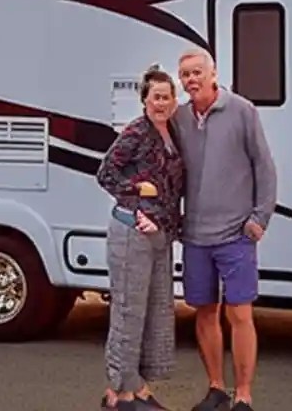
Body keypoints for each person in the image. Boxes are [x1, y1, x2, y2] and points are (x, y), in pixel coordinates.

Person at [173, 48, 277, 411]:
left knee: (240, 313)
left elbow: (264, 167)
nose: (191, 80)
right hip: (195, 235)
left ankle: (243, 394)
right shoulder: (179, 118)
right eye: (185, 74)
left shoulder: (242, 111)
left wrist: (260, 218)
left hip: (236, 234)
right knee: (204, 312)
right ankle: (216, 388)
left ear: (213, 73)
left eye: (197, 72)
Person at [96, 64, 187, 410]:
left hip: (160, 235)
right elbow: (105, 174)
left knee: (155, 312)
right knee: (128, 312)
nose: (161, 103)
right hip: (131, 234)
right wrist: (137, 198)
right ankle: (122, 393)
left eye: (166, 97)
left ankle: (135, 388)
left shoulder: (172, 132)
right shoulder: (136, 132)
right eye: (155, 97)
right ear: (144, 100)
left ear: (174, 100)